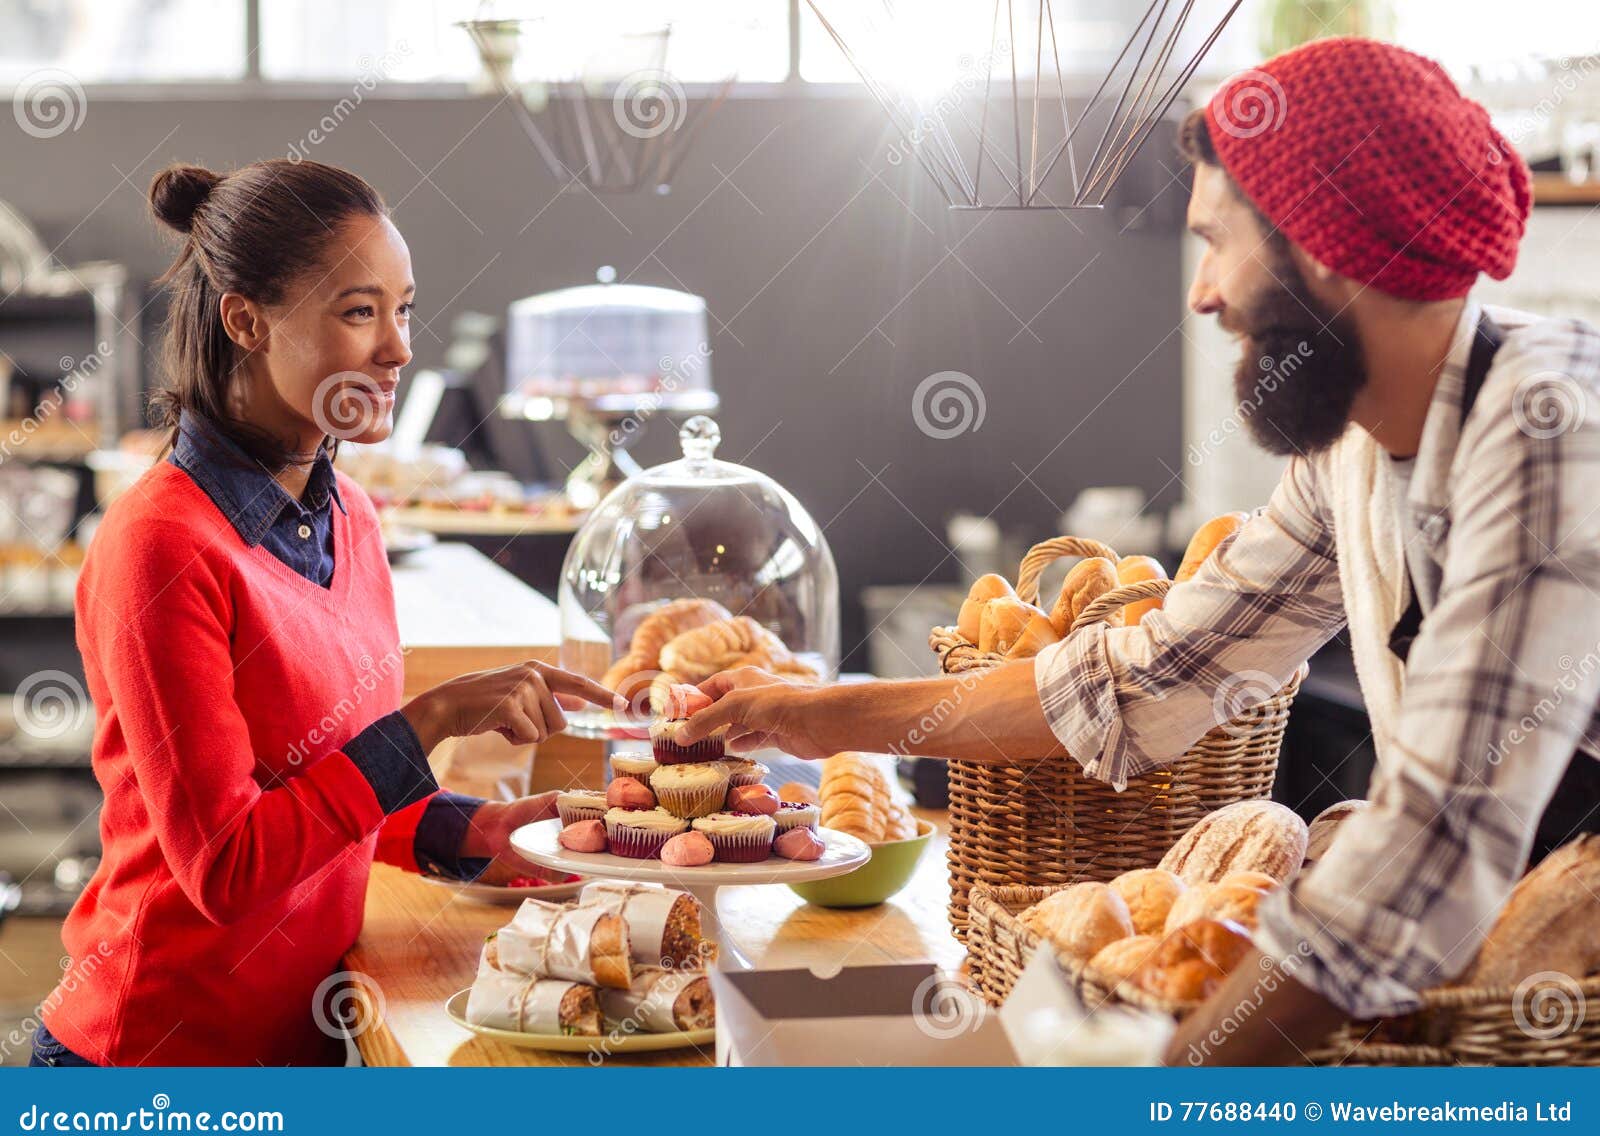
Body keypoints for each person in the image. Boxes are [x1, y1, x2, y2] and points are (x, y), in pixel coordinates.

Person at [677, 38, 1600, 1064]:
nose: (1202, 292)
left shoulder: (1550, 427)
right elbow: (1156, 674)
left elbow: (1427, 850)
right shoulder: (1351, 442)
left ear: (1323, 242)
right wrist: (816, 714)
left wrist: (1165, 1089)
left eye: (1217, 241)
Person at [30, 159, 621, 1067]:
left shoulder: (354, 517)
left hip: (299, 1044)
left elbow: (323, 794)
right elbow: (229, 864)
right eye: (359, 311)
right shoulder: (159, 544)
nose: (398, 347)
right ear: (246, 319)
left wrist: (481, 833)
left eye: (404, 309)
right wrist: (428, 721)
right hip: (154, 1058)